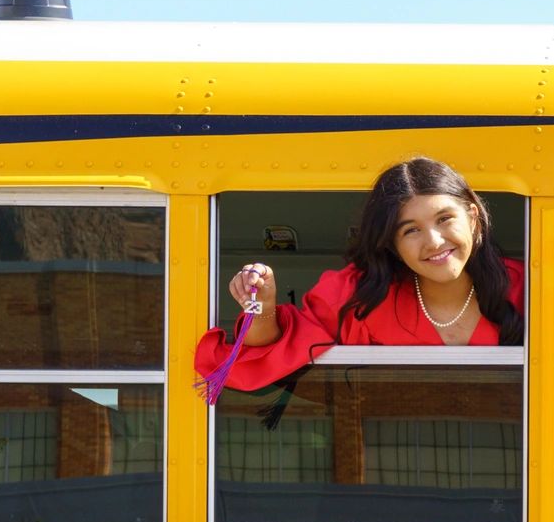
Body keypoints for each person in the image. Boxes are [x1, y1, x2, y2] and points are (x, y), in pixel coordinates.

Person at [194, 157, 523, 397]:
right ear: (391, 244)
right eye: (410, 230)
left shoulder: (528, 288)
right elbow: (270, 357)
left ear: (473, 217)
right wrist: (262, 307)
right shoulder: (354, 295)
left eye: (445, 219)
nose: (434, 242)